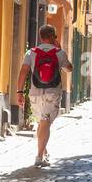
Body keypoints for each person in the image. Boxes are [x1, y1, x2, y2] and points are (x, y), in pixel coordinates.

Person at [16, 25, 73, 168]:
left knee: (42, 122)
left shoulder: (31, 52)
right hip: (52, 93)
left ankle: (44, 150)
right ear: (53, 36)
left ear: (41, 37)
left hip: (35, 92)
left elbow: (23, 72)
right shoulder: (59, 53)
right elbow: (69, 69)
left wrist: (19, 92)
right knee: (45, 122)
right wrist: (60, 50)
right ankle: (40, 156)